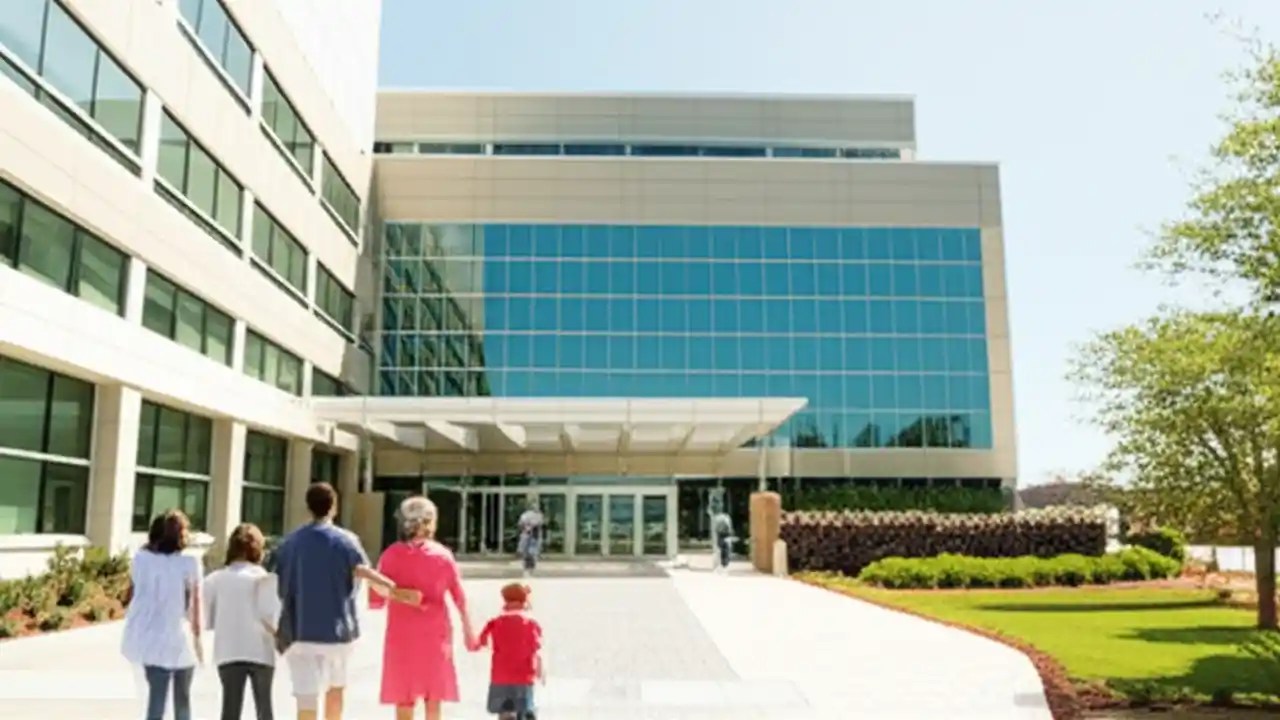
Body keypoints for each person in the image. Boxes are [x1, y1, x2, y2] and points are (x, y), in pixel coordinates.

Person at [273, 482, 420, 720]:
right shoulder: (345, 540)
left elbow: (273, 580)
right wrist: (396, 590)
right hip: (337, 631)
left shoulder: (290, 543)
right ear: (334, 507)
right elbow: (363, 571)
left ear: (308, 507)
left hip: (298, 630)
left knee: (306, 698)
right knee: (335, 691)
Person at [372, 495, 477, 720]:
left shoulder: (390, 556)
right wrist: (469, 631)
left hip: (401, 637)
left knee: (404, 699)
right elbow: (459, 597)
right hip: (435, 635)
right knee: (433, 698)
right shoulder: (442, 556)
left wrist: (394, 593)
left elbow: (376, 601)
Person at [120, 509, 203, 720]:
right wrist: (199, 639)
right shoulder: (189, 562)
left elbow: (132, 593)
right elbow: (195, 605)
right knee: (182, 700)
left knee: (156, 700)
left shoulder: (140, 559)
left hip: (148, 637)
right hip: (178, 636)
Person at [203, 523, 280, 720]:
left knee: (230, 710)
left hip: (229, 650)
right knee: (265, 710)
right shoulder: (266, 578)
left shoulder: (215, 579)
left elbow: (205, 618)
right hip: (261, 650)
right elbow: (275, 617)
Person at [474, 582, 544, 720]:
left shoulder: (495, 623)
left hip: (500, 677)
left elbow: (481, 642)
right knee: (524, 709)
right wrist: (540, 671)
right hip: (523, 678)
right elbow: (536, 649)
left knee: (504, 712)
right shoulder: (531, 624)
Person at [516, 500, 544, 577]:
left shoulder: (524, 515)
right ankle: (530, 569)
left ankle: (527, 569)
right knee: (531, 553)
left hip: (529, 535)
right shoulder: (538, 515)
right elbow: (539, 524)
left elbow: (520, 525)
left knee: (527, 553)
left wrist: (526, 528)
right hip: (533, 536)